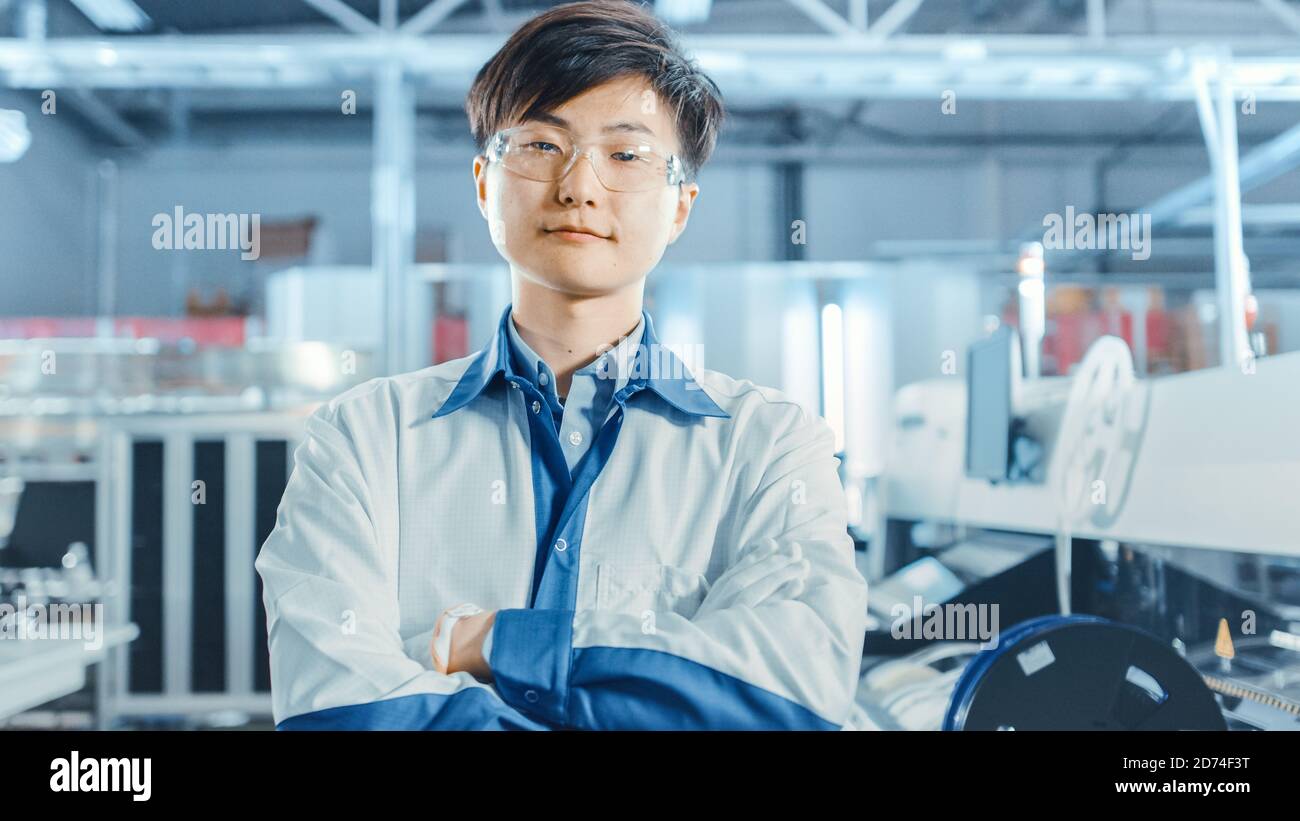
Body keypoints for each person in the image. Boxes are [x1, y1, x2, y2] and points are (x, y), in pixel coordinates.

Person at [256, 0, 868, 730]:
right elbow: (339, 709)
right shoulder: (364, 440)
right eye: (543, 145)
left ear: (679, 206)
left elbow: (791, 694)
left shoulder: (769, 446)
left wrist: (497, 643)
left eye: (626, 154)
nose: (579, 186)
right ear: (485, 183)